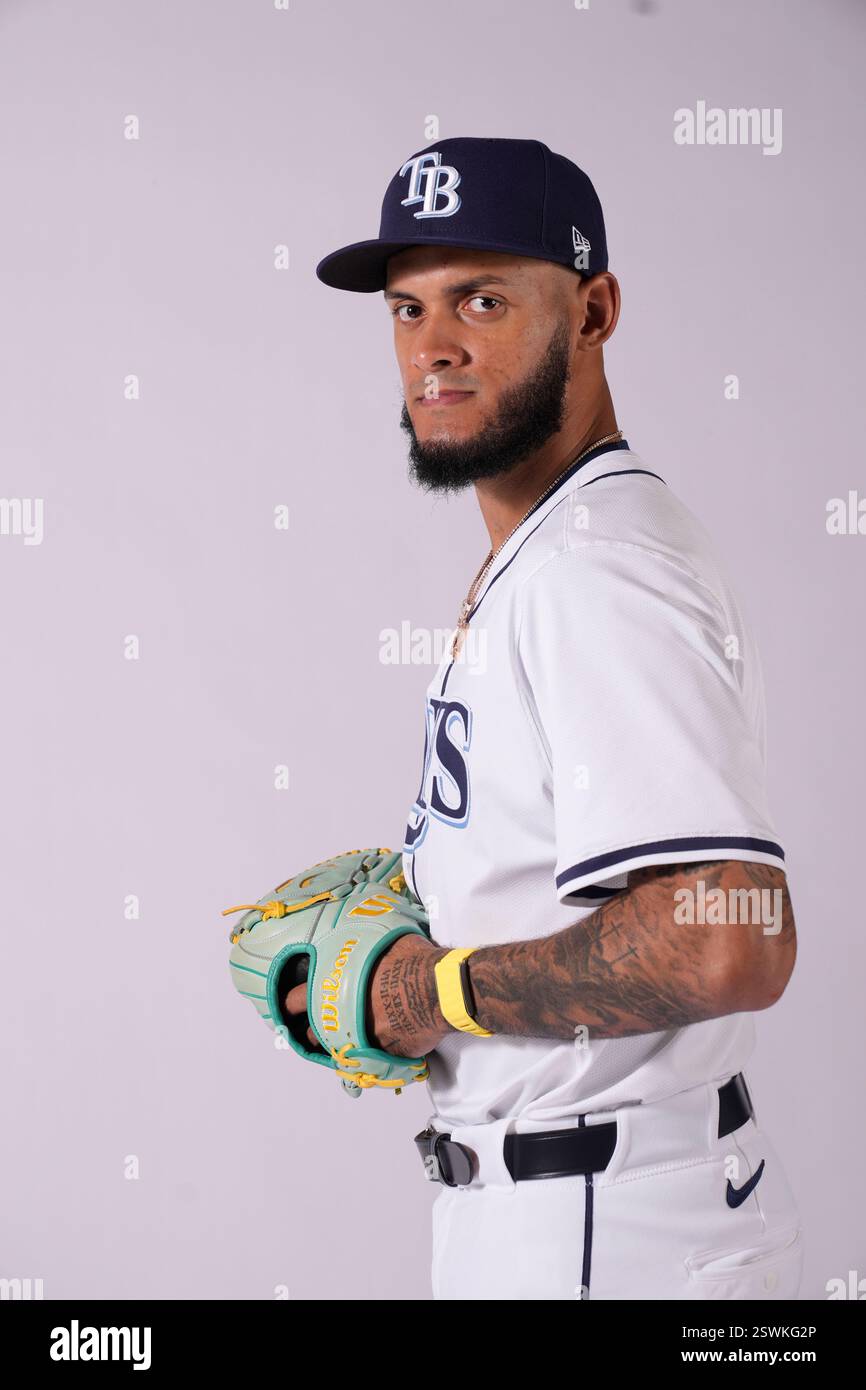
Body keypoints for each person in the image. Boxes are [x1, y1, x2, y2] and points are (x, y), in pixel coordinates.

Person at [308, 136, 804, 1300]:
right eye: (406, 308)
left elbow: (728, 933)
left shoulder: (595, 569)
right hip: (594, 1211)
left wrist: (423, 989)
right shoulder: (554, 551)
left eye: (482, 299)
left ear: (591, 311)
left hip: (604, 1234)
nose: (432, 347)